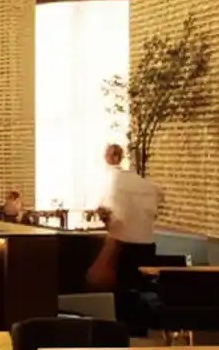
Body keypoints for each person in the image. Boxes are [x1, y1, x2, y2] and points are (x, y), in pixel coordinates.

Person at [88, 143, 161, 333]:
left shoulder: (113, 181)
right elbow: (154, 213)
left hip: (123, 246)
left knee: (121, 298)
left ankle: (122, 336)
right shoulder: (146, 185)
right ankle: (139, 335)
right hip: (147, 246)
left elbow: (114, 220)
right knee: (137, 294)